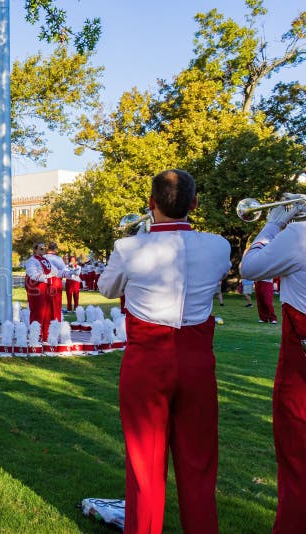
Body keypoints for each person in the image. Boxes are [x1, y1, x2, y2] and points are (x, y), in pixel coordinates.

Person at [98, 169, 230, 534]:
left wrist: (139, 239)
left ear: (151, 204)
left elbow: (107, 288)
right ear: (195, 203)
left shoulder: (128, 248)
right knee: (199, 462)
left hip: (146, 361)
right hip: (197, 360)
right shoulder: (219, 245)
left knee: (145, 463)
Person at [239, 193, 306, 532]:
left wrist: (274, 223)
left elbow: (250, 267)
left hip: (300, 362)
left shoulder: (299, 235)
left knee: (297, 456)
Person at [24, 243, 52, 341]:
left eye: (44, 248)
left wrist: (67, 273)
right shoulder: (31, 261)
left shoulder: (45, 259)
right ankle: (35, 335)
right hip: (36, 288)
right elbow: (32, 274)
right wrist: (45, 278)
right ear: (35, 249)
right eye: (41, 248)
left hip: (46, 288)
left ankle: (46, 334)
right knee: (37, 311)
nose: (43, 250)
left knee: (47, 312)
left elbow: (54, 271)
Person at [44, 242, 66, 321]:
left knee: (45, 304)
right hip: (55, 281)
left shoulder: (42, 257)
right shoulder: (58, 258)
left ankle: (46, 323)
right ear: (55, 249)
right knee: (56, 304)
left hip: (44, 282)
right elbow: (64, 270)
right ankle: (56, 322)